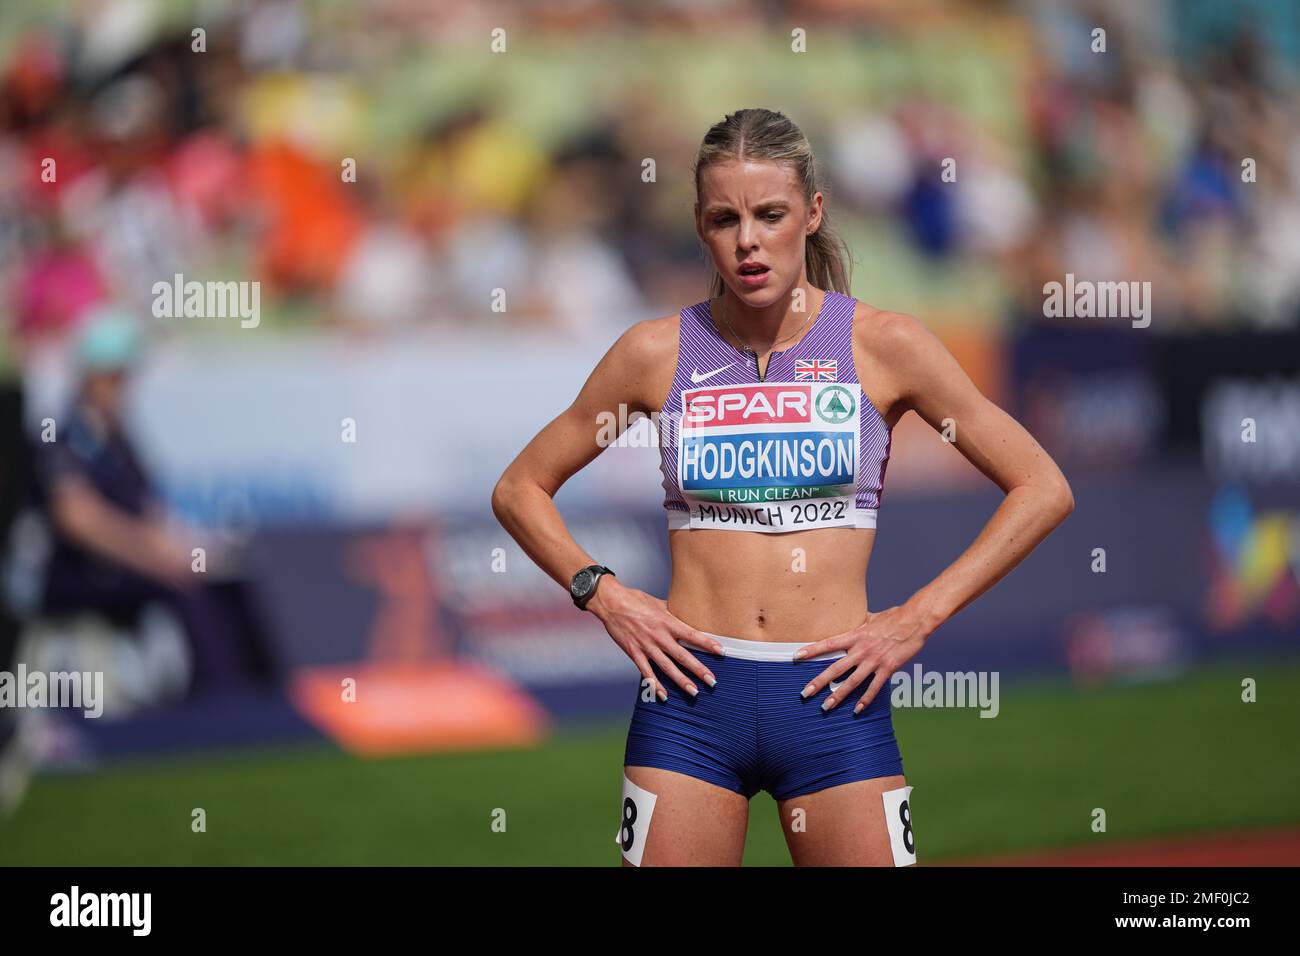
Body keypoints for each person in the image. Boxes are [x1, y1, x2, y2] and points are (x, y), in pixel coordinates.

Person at [492, 108, 1073, 866]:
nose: (748, 241)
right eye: (724, 218)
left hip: (835, 702)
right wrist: (602, 593)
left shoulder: (884, 347)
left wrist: (918, 617)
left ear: (813, 212)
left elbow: (1042, 486)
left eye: (770, 214)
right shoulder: (653, 354)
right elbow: (519, 488)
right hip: (688, 706)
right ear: (700, 227)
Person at [26, 308, 273, 696]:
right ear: (91, 376)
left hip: (127, 566)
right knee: (184, 588)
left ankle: (258, 697)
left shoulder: (121, 441)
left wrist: (194, 552)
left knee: (226, 582)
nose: (123, 387)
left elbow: (151, 513)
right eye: (114, 377)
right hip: (81, 576)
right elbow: (81, 521)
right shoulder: (63, 438)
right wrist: (156, 559)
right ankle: (219, 702)